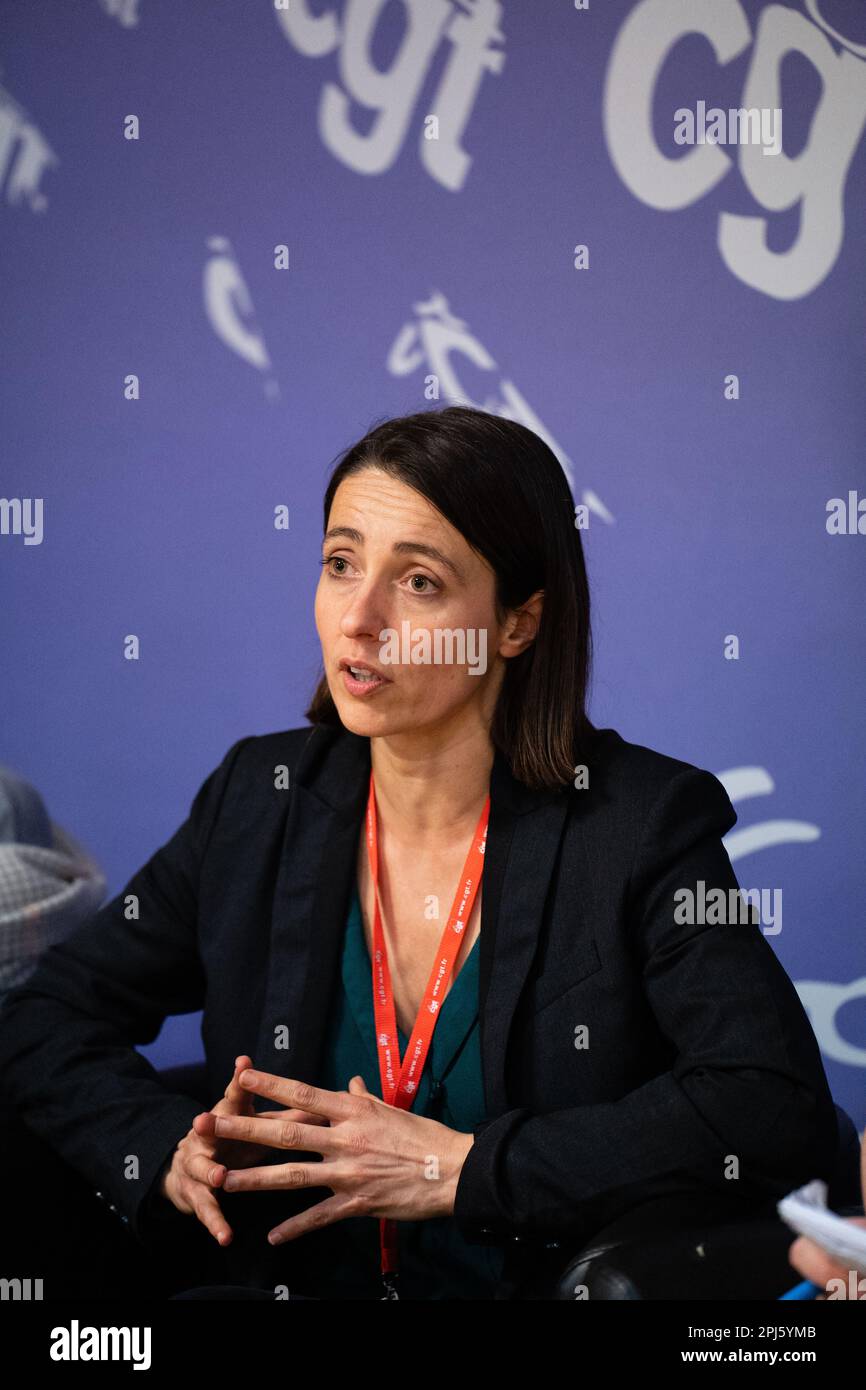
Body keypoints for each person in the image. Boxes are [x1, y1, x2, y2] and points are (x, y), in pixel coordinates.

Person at [0, 406, 840, 1300]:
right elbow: (48, 1016)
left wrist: (467, 1170)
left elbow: (767, 1100)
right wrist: (162, 1152)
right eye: (340, 563)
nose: (359, 619)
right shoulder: (261, 797)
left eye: (421, 583)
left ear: (517, 623)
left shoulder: (638, 823)